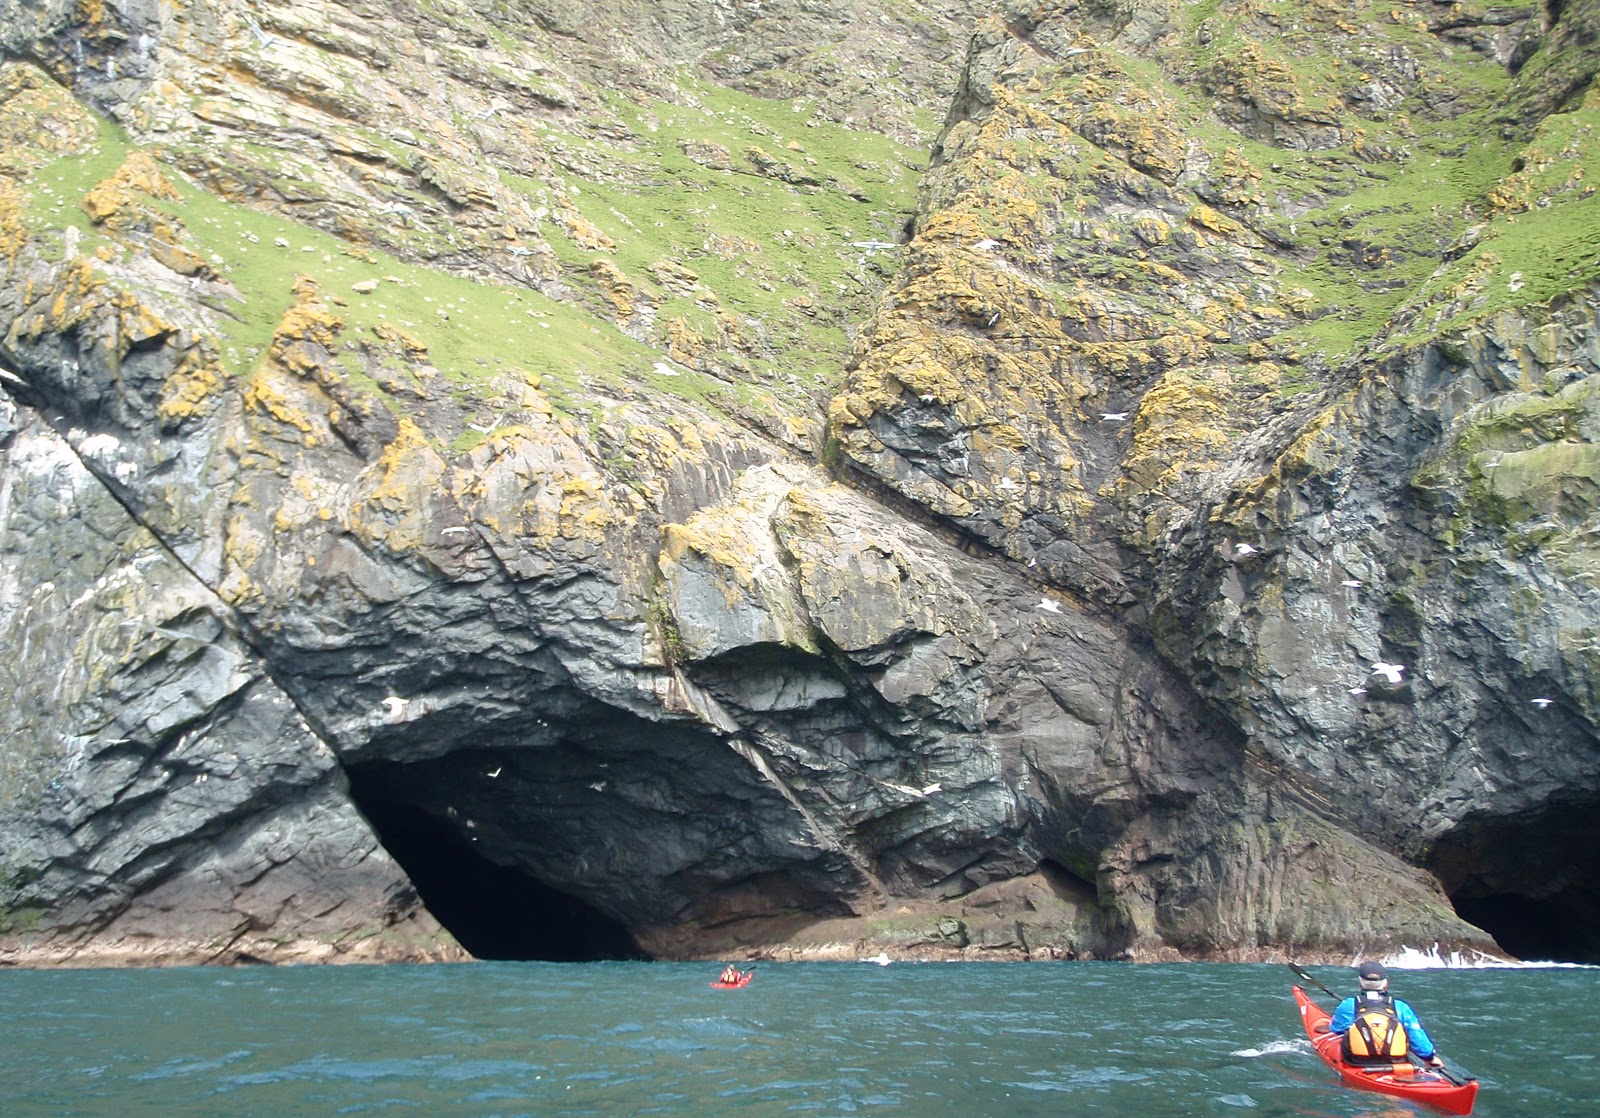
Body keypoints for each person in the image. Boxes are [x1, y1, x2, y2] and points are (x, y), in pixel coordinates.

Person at [1328, 961, 1444, 1068]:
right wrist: (1430, 1058)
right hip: (1396, 1063)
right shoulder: (1400, 1007)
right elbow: (1416, 1036)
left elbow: (1336, 1029)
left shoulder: (1348, 1005)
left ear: (1360, 984)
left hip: (1356, 1062)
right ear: (1386, 984)